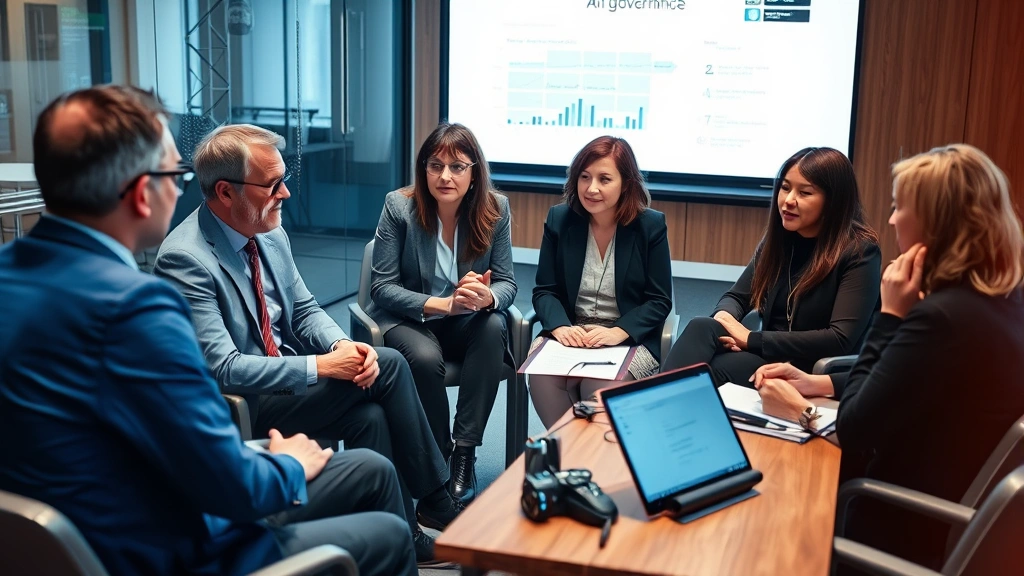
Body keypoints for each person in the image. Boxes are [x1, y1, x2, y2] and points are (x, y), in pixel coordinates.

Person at [0, 85, 415, 575]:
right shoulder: (134, 308)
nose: (181, 189)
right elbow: (230, 485)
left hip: (60, 540)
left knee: (371, 461)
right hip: (163, 545)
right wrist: (287, 463)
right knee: (387, 532)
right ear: (141, 193)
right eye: (175, 174)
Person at [153, 124, 462, 565]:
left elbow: (303, 310)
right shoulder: (185, 258)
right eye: (272, 185)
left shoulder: (269, 232)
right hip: (248, 402)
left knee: (370, 415)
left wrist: (341, 347)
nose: (285, 194)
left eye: (284, 180)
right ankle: (436, 499)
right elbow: (224, 368)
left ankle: (399, 532)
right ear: (224, 192)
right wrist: (322, 367)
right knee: (391, 364)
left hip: (291, 383)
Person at [756, 144, 1024, 571]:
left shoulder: (942, 316)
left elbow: (855, 428)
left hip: (896, 520)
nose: (892, 219)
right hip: (950, 507)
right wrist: (822, 383)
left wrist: (890, 315)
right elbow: (909, 377)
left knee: (778, 495)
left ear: (936, 221)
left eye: (900, 207)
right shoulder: (1000, 299)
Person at [366, 122, 516, 504]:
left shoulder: (495, 209)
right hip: (408, 318)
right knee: (424, 357)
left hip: (464, 321)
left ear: (473, 172)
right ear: (425, 169)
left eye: (457, 167)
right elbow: (381, 287)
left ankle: (464, 451)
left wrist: (486, 297)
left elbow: (508, 284)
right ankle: (438, 455)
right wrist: (444, 305)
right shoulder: (398, 207)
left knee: (493, 325)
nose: (445, 176)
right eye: (436, 166)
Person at [662, 147, 881, 389]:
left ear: (834, 201)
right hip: (767, 353)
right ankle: (653, 404)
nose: (788, 200)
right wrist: (726, 320)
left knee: (710, 370)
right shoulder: (780, 240)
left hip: (810, 370)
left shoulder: (860, 252)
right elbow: (737, 297)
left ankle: (650, 404)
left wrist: (751, 339)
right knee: (702, 326)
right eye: (785, 188)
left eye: (804, 192)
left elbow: (839, 338)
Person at [529, 135, 672, 429]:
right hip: (570, 332)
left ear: (626, 184)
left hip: (625, 337)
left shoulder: (650, 226)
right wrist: (560, 327)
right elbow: (545, 291)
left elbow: (659, 300)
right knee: (542, 378)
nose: (591, 188)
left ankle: (586, 455)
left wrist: (619, 332)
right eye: (584, 177)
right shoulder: (559, 219)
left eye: (604, 179)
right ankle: (570, 454)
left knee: (597, 387)